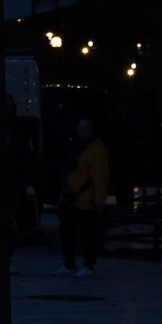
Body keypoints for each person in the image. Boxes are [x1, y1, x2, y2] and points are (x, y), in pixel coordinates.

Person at [53, 117, 109, 278]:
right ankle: (69, 264)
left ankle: (88, 264)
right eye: (80, 128)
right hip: (72, 199)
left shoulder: (96, 150)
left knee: (87, 235)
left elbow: (100, 176)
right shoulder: (78, 148)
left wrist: (99, 199)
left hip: (86, 200)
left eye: (86, 129)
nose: (82, 132)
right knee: (67, 233)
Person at [4, 95, 36, 274]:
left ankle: (7, 256)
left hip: (13, 181)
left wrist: (29, 182)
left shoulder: (19, 129)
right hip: (6, 180)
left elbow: (26, 157)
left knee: (9, 221)